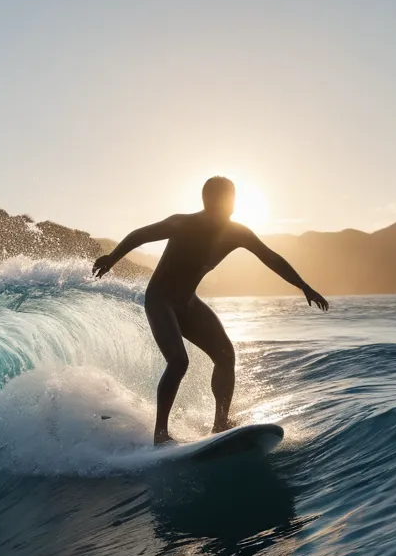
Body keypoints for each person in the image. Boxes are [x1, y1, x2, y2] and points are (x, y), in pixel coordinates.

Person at [92, 176, 329, 444]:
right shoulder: (183, 223)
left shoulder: (237, 233)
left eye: (232, 200)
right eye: (223, 200)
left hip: (187, 302)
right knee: (179, 361)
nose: (229, 206)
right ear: (208, 201)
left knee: (226, 354)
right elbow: (140, 236)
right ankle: (160, 434)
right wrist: (112, 259)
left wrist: (304, 286)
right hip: (160, 300)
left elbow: (271, 258)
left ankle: (220, 424)